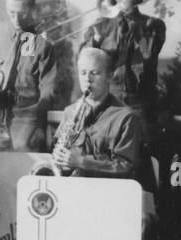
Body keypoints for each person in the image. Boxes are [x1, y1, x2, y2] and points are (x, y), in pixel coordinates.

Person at [81, 0, 165, 187]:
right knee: (103, 162)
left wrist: (123, 15)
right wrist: (95, 39)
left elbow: (147, 53)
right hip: (106, 105)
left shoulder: (152, 25)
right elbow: (86, 61)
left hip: (138, 105)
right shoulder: (102, 24)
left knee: (137, 166)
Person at [0, 0, 58, 152]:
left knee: (21, 165)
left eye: (22, 13)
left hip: (26, 118)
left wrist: (37, 124)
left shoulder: (42, 44)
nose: (17, 19)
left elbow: (48, 92)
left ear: (32, 9)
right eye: (11, 12)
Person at [50, 46, 141, 179]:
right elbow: (60, 157)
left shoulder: (126, 117)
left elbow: (125, 167)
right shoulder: (70, 112)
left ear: (109, 76)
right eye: (83, 73)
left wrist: (82, 162)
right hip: (75, 189)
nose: (88, 79)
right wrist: (64, 163)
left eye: (95, 73)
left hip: (109, 192)